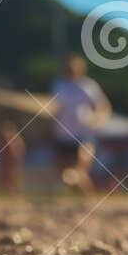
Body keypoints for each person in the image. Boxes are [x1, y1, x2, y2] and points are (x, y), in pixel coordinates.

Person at [51, 54, 110, 192]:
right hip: (63, 134)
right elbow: (54, 107)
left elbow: (104, 107)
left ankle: (87, 198)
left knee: (80, 167)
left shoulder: (88, 86)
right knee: (69, 174)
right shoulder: (59, 85)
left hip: (84, 133)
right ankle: (86, 197)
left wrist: (96, 119)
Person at [0, 120, 24, 194]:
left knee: (14, 176)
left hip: (13, 161)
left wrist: (16, 158)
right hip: (8, 161)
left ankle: (14, 192)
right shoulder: (6, 139)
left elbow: (19, 149)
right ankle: (10, 192)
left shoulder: (15, 138)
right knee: (7, 177)